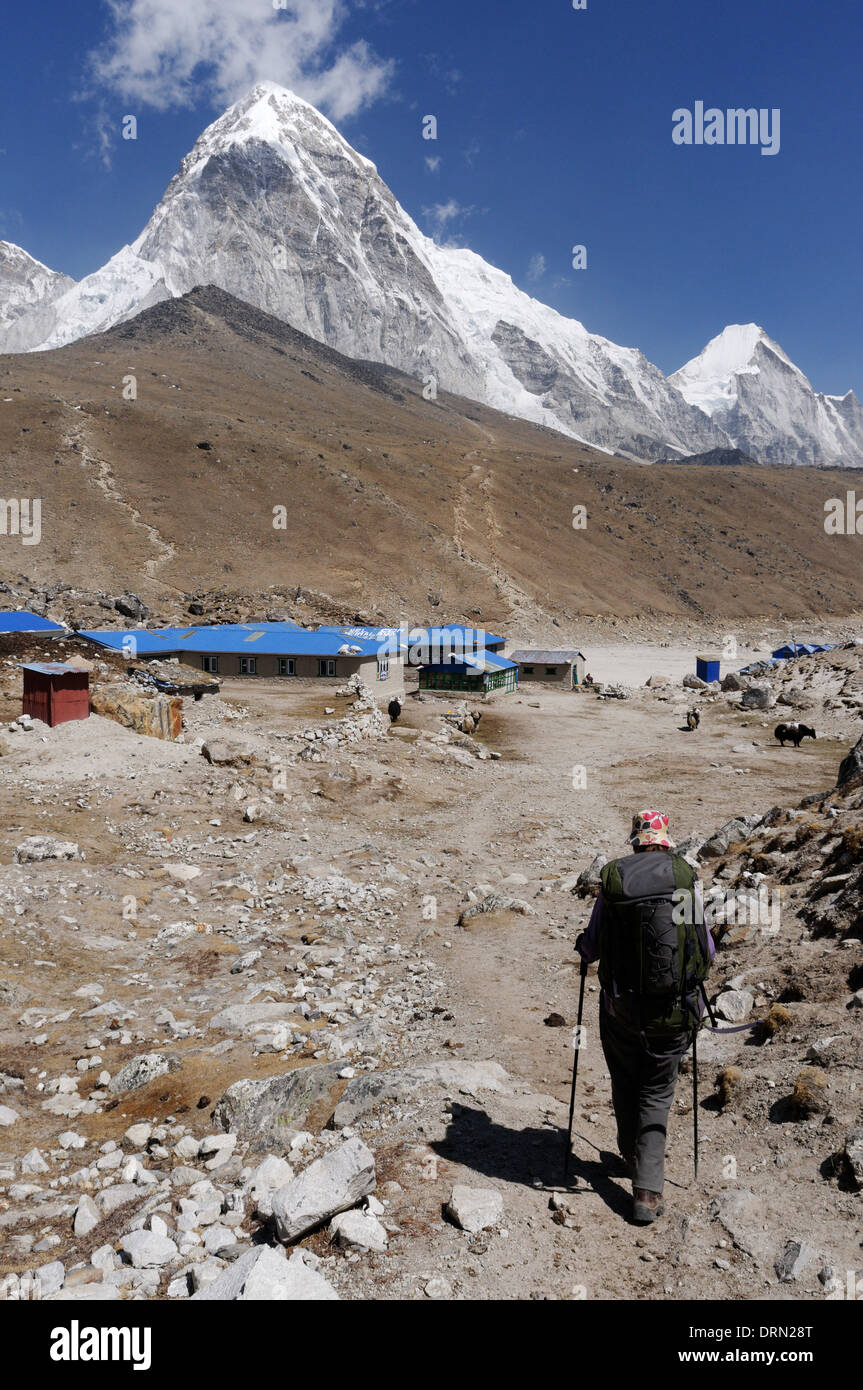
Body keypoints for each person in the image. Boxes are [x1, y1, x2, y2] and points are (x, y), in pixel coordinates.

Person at [576, 810, 714, 1224]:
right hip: (673, 1015)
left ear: (635, 841)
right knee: (657, 1093)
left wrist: (583, 946)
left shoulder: (614, 879)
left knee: (624, 1079)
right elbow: (705, 952)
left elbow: (592, 947)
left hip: (621, 1010)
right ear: (665, 841)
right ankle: (647, 1193)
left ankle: (629, 1154)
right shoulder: (684, 877)